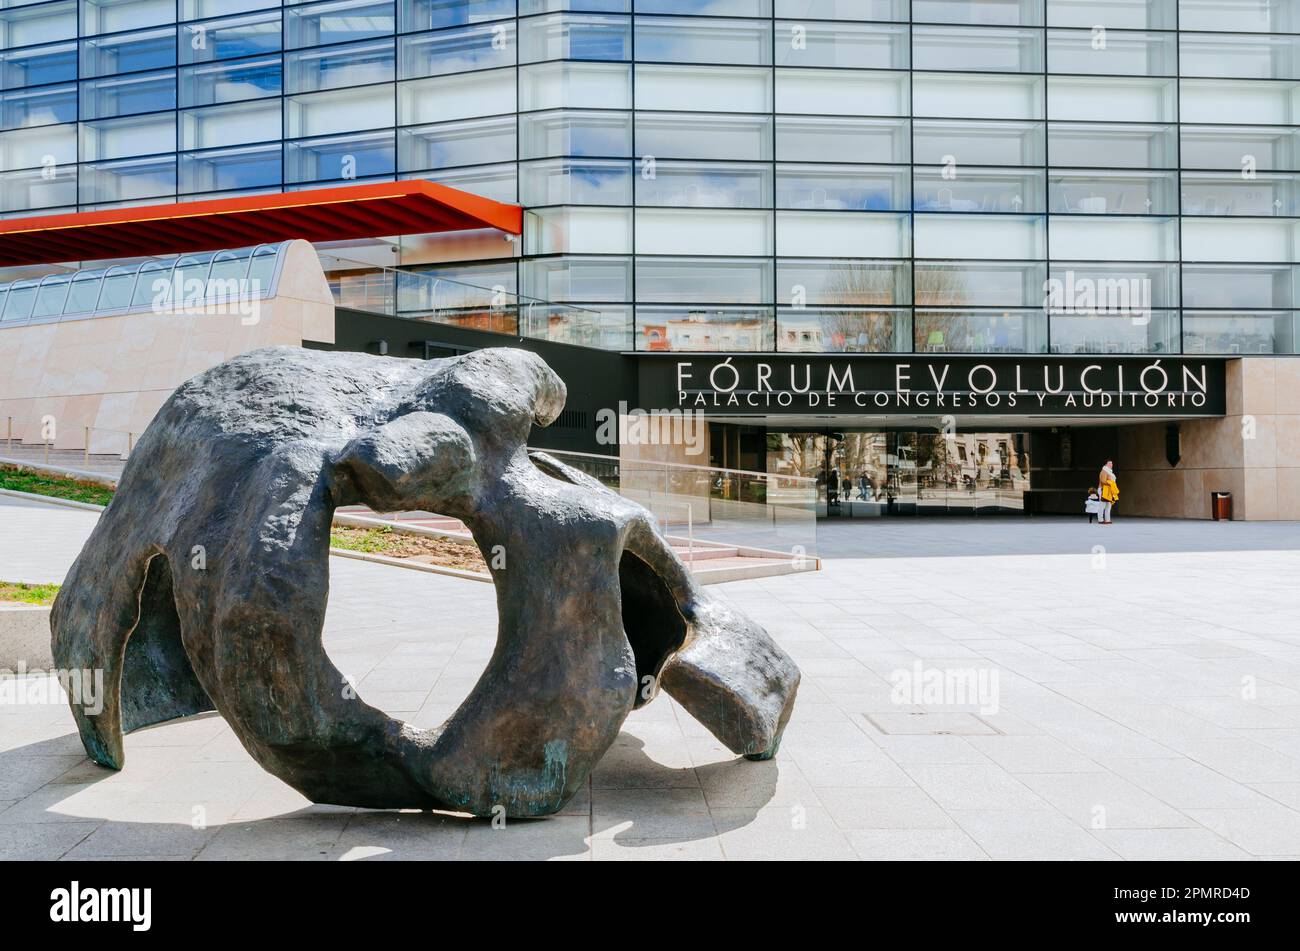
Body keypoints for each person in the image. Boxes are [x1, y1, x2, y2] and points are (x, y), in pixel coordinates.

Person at [1097, 460, 1119, 524]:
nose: (1111, 465)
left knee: (1108, 505)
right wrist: (1110, 482)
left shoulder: (1109, 472)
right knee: (1102, 505)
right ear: (1106, 464)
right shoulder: (1104, 471)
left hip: (1109, 490)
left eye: (1112, 464)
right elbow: (1103, 481)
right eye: (1109, 464)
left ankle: (1107, 519)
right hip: (1103, 489)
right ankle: (1100, 520)